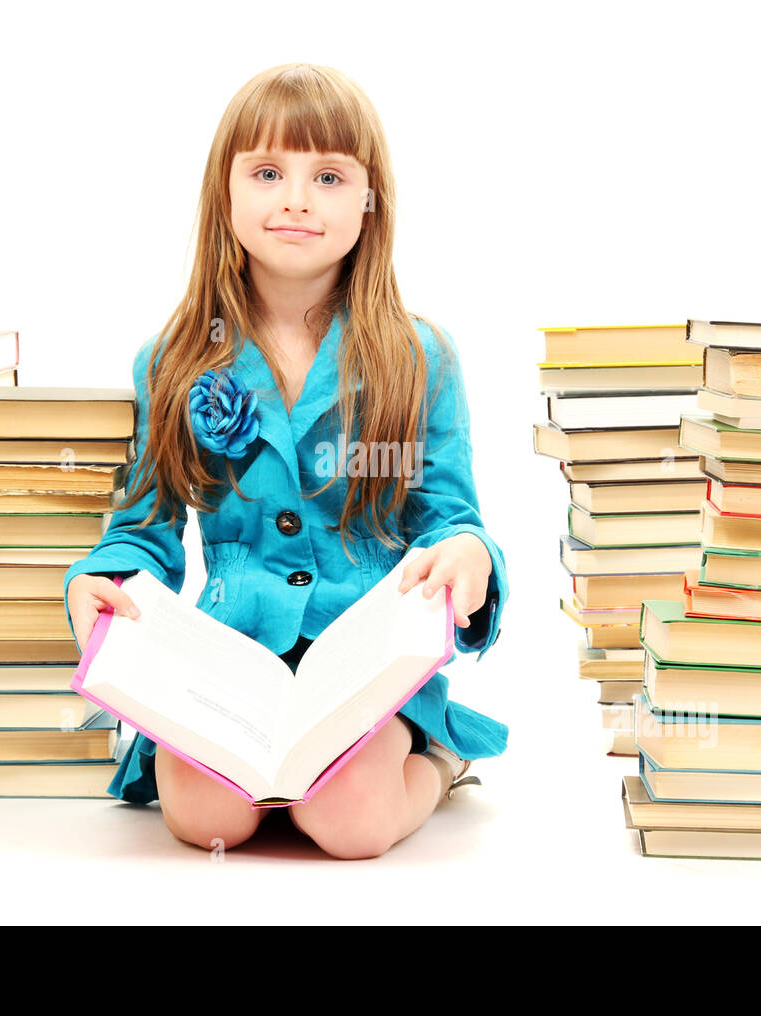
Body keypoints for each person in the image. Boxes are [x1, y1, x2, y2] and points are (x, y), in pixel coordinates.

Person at [64, 62, 508, 860]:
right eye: (268, 172)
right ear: (225, 196)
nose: (296, 199)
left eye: (329, 176)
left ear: (370, 203)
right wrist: (103, 584)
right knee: (205, 821)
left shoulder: (420, 356)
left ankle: (440, 761)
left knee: (350, 825)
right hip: (229, 660)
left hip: (363, 659)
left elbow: (449, 515)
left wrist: (468, 553)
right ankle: (271, 779)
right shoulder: (171, 360)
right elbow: (145, 528)